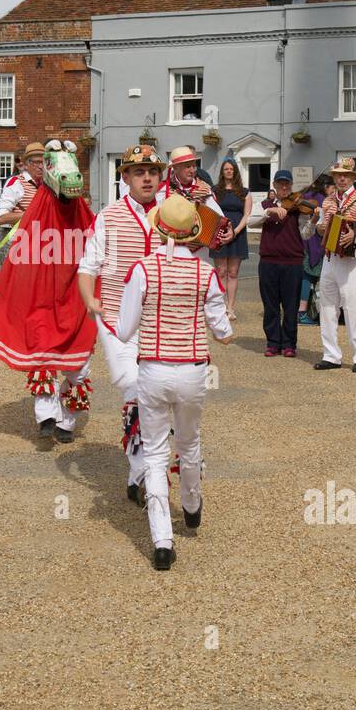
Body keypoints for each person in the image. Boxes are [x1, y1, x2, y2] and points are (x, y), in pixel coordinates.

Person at [116, 194, 233, 571]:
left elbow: (123, 329)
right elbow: (222, 330)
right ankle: (193, 506)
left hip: (153, 367)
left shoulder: (144, 269)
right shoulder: (205, 273)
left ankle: (162, 539)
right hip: (193, 368)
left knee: (154, 451)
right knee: (189, 441)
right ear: (192, 233)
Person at [0, 139, 96, 445]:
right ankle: (45, 414)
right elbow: (24, 252)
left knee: (78, 361)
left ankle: (68, 421)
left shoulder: (83, 212)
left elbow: (96, 245)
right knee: (42, 350)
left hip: (75, 293)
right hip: (43, 294)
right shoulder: (35, 205)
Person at [78, 146, 166, 499]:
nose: (147, 177)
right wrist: (90, 301)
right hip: (116, 320)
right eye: (138, 171)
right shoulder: (109, 216)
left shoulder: (171, 215)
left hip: (158, 321)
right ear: (125, 177)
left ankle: (136, 473)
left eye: (153, 171)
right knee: (133, 387)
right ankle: (146, 473)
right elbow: (88, 265)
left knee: (157, 393)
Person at [314, 157, 356, 372]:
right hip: (330, 258)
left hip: (353, 260)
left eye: (346, 175)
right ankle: (330, 354)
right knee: (327, 306)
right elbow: (321, 227)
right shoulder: (328, 201)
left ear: (353, 178)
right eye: (338, 175)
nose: (342, 178)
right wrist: (322, 228)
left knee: (353, 307)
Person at [257, 170, 306, 356]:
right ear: (275, 186)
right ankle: (272, 342)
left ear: (291, 186)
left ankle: (289, 344)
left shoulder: (298, 208)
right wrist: (269, 211)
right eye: (280, 184)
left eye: (287, 184)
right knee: (270, 305)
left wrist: (313, 219)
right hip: (269, 261)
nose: (284, 187)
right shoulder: (265, 205)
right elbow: (251, 221)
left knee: (290, 306)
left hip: (292, 261)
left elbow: (306, 234)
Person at [209, 158, 252, 320]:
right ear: (222, 171)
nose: (228, 171)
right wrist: (224, 230)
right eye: (226, 169)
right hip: (219, 233)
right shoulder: (215, 190)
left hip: (237, 234)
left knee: (233, 273)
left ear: (235, 171)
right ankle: (219, 307)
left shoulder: (244, 192)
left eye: (231, 169)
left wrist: (235, 231)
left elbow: (246, 215)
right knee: (221, 272)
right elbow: (211, 212)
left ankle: (230, 308)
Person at [297, 175, 331, 325]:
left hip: (302, 242)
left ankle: (303, 310)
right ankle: (303, 311)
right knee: (310, 278)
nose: (333, 190)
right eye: (332, 187)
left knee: (306, 278)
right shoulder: (323, 200)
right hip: (314, 243)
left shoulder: (306, 196)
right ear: (326, 186)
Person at [0, 142, 45, 228]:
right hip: (21, 238)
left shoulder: (47, 184)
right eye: (36, 162)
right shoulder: (16, 182)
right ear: (26, 165)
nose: (41, 166)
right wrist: (34, 214)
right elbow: (1, 218)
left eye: (43, 162)